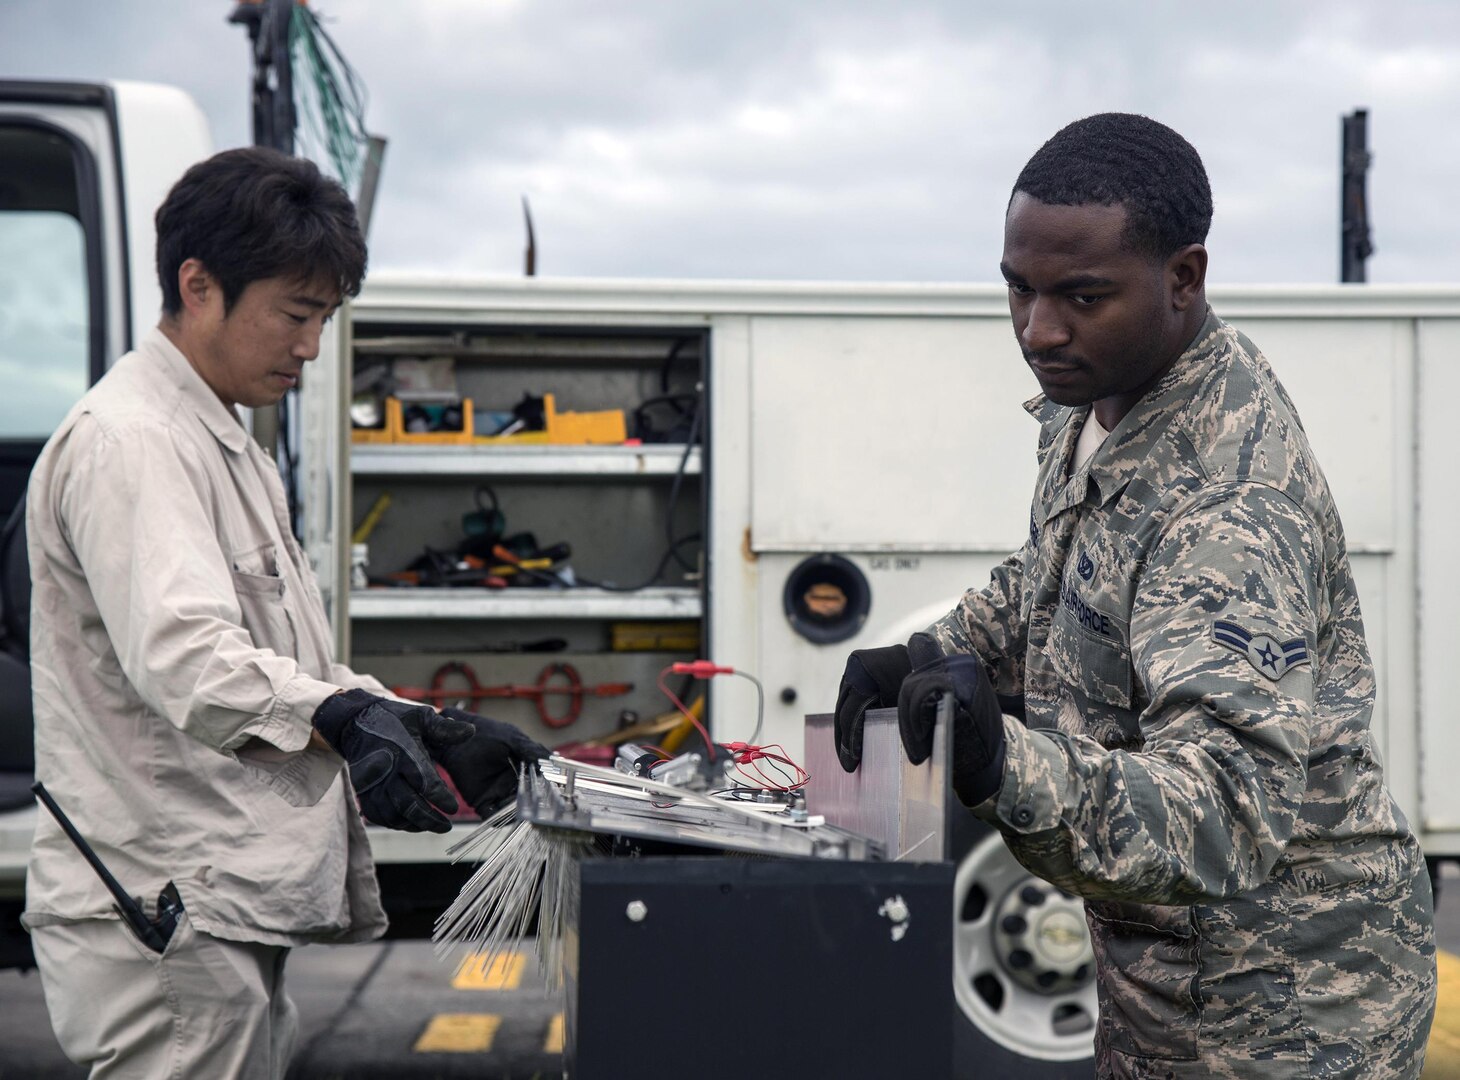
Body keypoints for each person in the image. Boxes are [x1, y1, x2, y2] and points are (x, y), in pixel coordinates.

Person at [835, 113, 1436, 1078]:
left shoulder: (1228, 508)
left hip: (1284, 1014)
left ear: (1183, 277)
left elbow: (1224, 816)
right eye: (1018, 289)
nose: (1039, 330)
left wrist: (1004, 763)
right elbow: (1058, 575)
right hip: (1165, 984)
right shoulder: (1101, 400)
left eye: (1082, 296)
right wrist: (936, 652)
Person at [22, 146, 547, 1079]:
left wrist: (423, 725)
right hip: (166, 901)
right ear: (198, 285)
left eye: (324, 319)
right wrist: (342, 720)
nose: (310, 346)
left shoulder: (220, 440)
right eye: (296, 314)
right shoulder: (135, 442)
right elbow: (188, 657)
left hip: (209, 901)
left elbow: (283, 662)